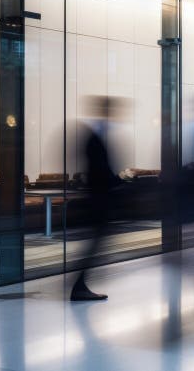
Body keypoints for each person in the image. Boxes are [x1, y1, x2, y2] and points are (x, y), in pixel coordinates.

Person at [70, 96, 128, 301]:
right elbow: (99, 171)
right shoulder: (95, 137)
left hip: (98, 200)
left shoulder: (96, 136)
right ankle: (78, 285)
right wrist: (119, 180)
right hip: (98, 201)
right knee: (94, 244)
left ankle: (80, 283)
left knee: (94, 244)